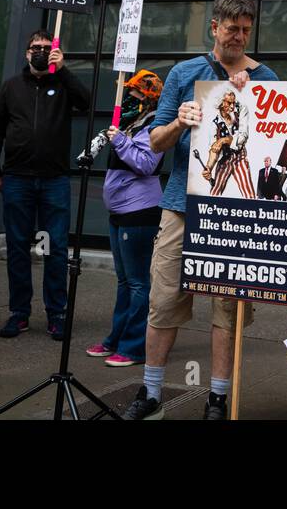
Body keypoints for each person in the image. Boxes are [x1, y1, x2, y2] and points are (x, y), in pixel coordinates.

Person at [125, 0, 278, 420]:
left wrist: (253, 104)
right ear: (214, 27)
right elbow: (155, 142)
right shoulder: (183, 73)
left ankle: (216, 397)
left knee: (228, 307)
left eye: (247, 30)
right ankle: (151, 390)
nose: (239, 37)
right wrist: (180, 120)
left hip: (236, 212)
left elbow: (280, 138)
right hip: (181, 205)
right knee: (165, 297)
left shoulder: (266, 76)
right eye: (232, 29)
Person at [0, 28, 92, 341]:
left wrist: (63, 71)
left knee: (56, 248)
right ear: (26, 51)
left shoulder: (62, 84)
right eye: (36, 46)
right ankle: (19, 313)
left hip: (54, 181)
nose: (41, 51)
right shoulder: (11, 87)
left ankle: (56, 313)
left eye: (47, 47)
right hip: (17, 179)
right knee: (18, 247)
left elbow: (85, 102)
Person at [85, 70, 164, 368]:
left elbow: (146, 164)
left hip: (139, 213)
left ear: (150, 99)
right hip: (118, 213)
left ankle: (133, 347)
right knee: (123, 281)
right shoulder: (130, 125)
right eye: (129, 94)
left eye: (137, 95)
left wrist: (119, 141)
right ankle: (115, 338)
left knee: (138, 283)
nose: (131, 99)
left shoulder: (155, 126)